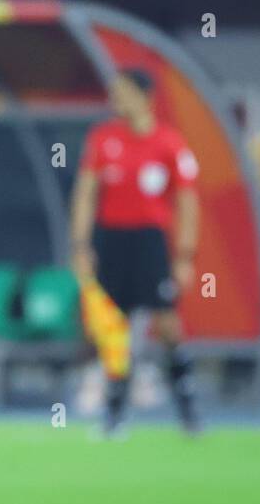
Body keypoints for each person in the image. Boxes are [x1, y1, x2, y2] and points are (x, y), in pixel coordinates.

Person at [69, 67, 202, 437]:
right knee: (113, 329)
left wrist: (186, 256)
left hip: (150, 241)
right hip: (111, 240)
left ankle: (188, 409)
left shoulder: (170, 144)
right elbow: (86, 193)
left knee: (168, 324)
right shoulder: (103, 139)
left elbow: (188, 202)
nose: (116, 99)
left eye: (123, 92)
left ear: (145, 98)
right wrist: (81, 245)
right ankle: (114, 415)